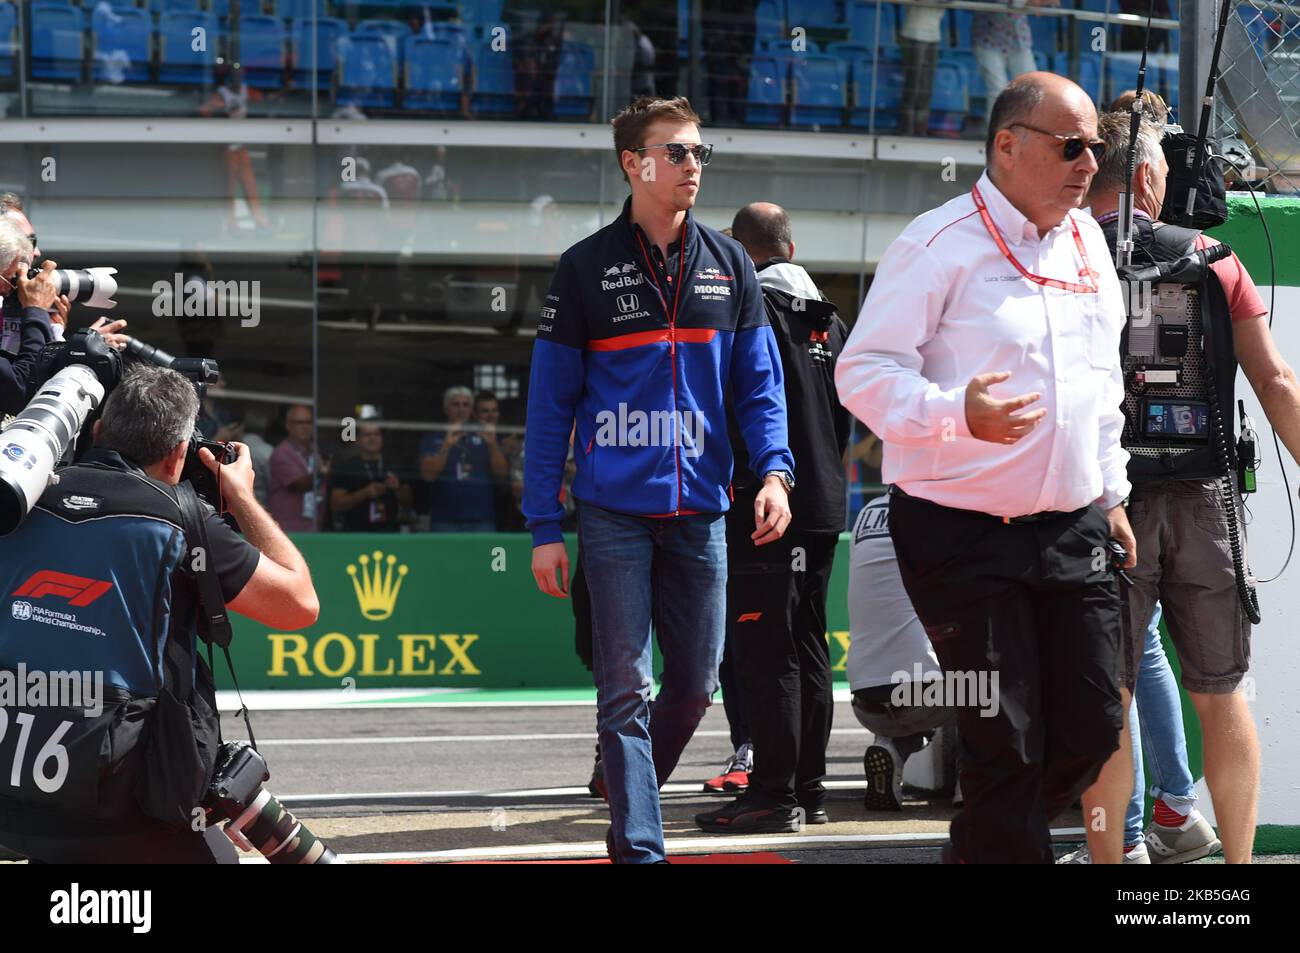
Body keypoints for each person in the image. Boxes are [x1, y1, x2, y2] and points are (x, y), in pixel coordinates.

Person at [836, 73, 1133, 864]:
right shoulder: (935, 243)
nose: (1089, 162)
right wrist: (953, 413)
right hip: (959, 532)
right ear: (1008, 145)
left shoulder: (1088, 243)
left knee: (1094, 727)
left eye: (1095, 147)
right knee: (1004, 739)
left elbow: (1103, 383)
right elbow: (861, 372)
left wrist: (1112, 492)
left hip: (1072, 524)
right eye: (1072, 146)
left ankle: (983, 844)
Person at [524, 96, 793, 864]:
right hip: (612, 510)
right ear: (633, 163)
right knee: (624, 686)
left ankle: (626, 783)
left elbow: (759, 387)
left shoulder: (730, 263)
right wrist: (544, 523)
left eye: (700, 152)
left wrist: (775, 471)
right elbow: (549, 405)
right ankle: (640, 847)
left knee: (698, 683)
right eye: (676, 151)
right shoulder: (583, 268)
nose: (692, 164)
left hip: (703, 507)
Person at [1078, 104, 1300, 864]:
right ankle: (1235, 870)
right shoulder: (1217, 259)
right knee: (1221, 689)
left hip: (1106, 505)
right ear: (1147, 175)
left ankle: (1114, 865)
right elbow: (1275, 379)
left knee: (1110, 696)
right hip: (1207, 500)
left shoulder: (1065, 259)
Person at [0, 365, 319, 862]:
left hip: (17, 799)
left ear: (98, 430)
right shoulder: (182, 522)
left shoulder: (17, 500)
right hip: (125, 802)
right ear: (177, 454)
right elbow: (298, 605)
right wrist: (241, 496)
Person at [695, 202, 849, 834]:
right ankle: (809, 791)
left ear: (739, 250)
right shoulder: (831, 319)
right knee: (808, 645)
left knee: (765, 653)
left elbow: (734, 406)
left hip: (765, 501)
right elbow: (844, 418)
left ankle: (772, 796)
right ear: (792, 247)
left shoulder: (748, 306)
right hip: (824, 503)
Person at [846, 495, 959, 812]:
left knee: (912, 689)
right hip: (927, 696)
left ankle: (889, 748)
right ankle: (972, 783)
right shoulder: (943, 508)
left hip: (866, 700)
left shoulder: (867, 511)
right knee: (991, 680)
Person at [420, 386, 504, 532]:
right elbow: (428, 475)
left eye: (466, 405)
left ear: (471, 410)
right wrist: (446, 444)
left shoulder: (485, 434)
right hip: (444, 520)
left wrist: (493, 445)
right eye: (456, 404)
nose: (461, 409)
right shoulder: (434, 437)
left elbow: (502, 476)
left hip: (482, 519)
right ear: (446, 409)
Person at [330, 420, 412, 533]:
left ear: (382, 439)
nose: (372, 438)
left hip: (389, 534)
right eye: (367, 435)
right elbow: (336, 504)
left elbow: (409, 502)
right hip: (356, 534)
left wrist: (397, 488)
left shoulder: (394, 464)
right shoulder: (347, 466)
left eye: (376, 434)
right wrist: (364, 493)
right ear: (358, 440)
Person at [270, 403, 327, 532]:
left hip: (314, 526)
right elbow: (301, 484)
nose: (305, 427)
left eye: (308, 422)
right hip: (288, 528)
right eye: (299, 423)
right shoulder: (282, 452)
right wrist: (321, 473)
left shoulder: (315, 450)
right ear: (288, 425)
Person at [899, 1, 946, 136]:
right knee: (913, 83)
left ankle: (920, 128)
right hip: (914, 32)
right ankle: (907, 127)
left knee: (927, 85)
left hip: (934, 35)